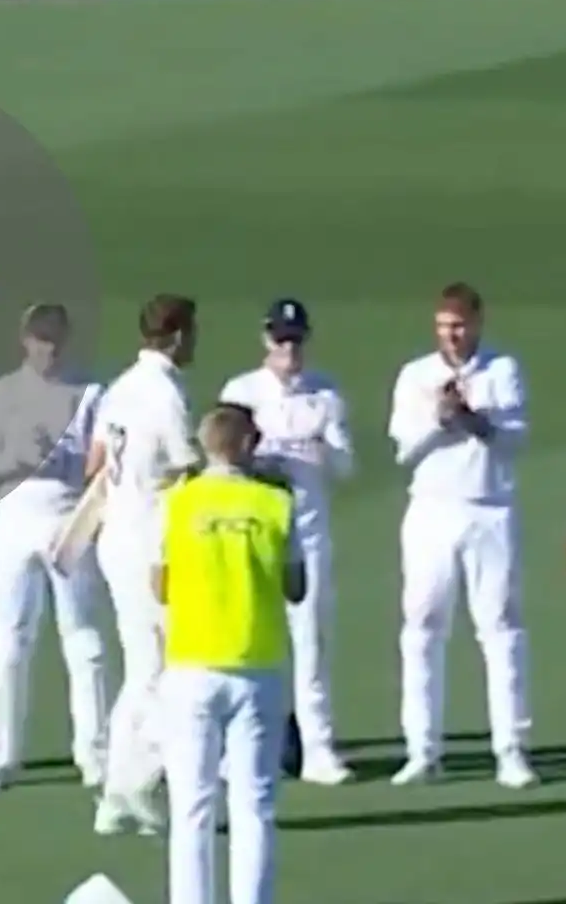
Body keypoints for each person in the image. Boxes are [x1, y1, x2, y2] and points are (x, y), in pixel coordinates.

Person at [386, 282, 534, 788]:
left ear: (477, 322)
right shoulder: (415, 376)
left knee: (500, 627)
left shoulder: (502, 371)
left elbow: (515, 438)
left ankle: (510, 749)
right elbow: (404, 451)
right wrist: (439, 420)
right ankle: (422, 749)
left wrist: (471, 420)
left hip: (489, 509)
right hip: (430, 511)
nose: (452, 336)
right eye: (444, 327)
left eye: (461, 326)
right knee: (422, 625)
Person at [154, 404, 303, 904]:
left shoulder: (178, 502)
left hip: (193, 661)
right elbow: (296, 586)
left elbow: (160, 585)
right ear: (246, 445)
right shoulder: (276, 503)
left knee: (192, 806)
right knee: (253, 805)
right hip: (256, 661)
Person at [0, 303, 111, 793]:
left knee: (82, 635)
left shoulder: (90, 393)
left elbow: (102, 466)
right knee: (8, 635)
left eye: (54, 341)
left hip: (68, 517)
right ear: (24, 340)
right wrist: (21, 456)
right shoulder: (2, 393)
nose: (46, 350)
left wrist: (62, 460)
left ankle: (95, 755)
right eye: (39, 340)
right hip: (14, 516)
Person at [219, 299, 355, 785]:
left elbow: (346, 467)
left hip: (309, 534)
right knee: (248, 638)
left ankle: (318, 748)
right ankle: (244, 747)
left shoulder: (325, 394)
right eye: (280, 340)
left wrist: (317, 451)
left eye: (295, 340)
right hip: (253, 536)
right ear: (265, 341)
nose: (288, 349)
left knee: (311, 643)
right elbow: (223, 457)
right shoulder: (242, 391)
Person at [88, 294, 203, 836]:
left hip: (117, 536)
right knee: (159, 671)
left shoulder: (119, 388)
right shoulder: (165, 394)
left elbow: (95, 463)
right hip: (150, 546)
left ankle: (122, 791)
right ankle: (132, 787)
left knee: (145, 667)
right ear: (178, 336)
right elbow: (188, 470)